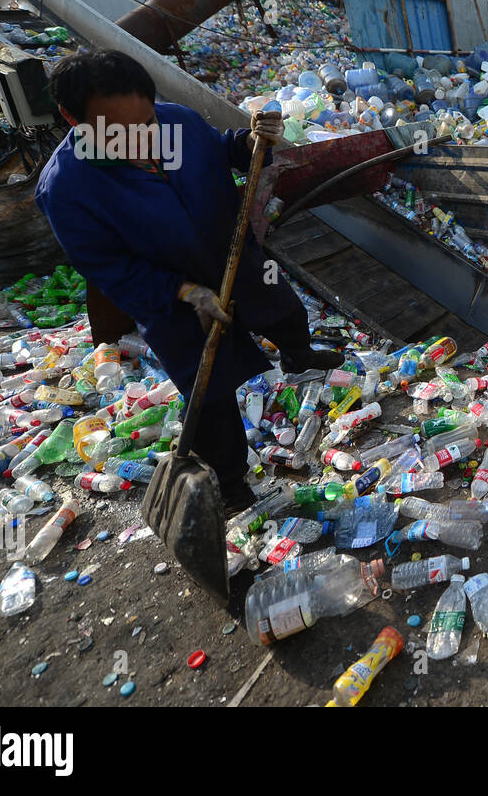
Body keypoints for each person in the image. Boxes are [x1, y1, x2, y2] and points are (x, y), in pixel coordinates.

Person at [35, 49, 341, 514]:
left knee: (280, 306)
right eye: (120, 132)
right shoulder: (67, 189)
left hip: (230, 250)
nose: (143, 139)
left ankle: (298, 354)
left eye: (147, 121)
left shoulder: (176, 121)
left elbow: (220, 150)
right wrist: (185, 292)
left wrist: (250, 141)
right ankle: (233, 484)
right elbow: (109, 268)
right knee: (209, 390)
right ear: (71, 118)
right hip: (172, 295)